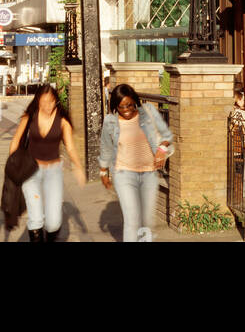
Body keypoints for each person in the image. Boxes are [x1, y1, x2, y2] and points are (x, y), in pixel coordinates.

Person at [9, 83, 85, 242]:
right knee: (36, 218)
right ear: (37, 101)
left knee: (53, 223)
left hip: (53, 172)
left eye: (50, 102)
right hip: (31, 171)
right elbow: (16, 140)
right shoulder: (29, 116)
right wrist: (13, 165)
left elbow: (70, 146)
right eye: (43, 102)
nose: (47, 106)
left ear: (55, 101)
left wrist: (78, 167)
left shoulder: (62, 121)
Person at [98, 83, 174, 242]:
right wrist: (103, 171)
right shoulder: (110, 122)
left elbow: (167, 136)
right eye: (121, 107)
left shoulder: (148, 112)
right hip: (123, 174)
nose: (126, 110)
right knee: (132, 218)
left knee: (146, 221)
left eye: (129, 105)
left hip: (149, 173)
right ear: (115, 106)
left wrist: (161, 149)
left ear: (135, 101)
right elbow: (106, 147)